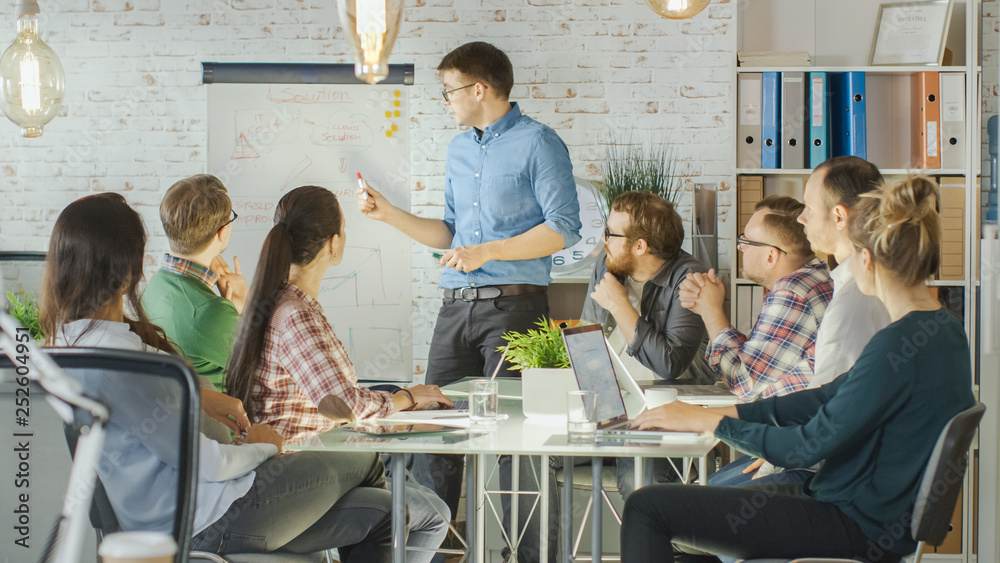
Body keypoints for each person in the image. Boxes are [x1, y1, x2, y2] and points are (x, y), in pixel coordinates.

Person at [620, 176, 975, 563]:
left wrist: (712, 425)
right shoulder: (943, 329)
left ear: (867, 259)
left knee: (647, 508)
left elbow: (806, 444)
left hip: (854, 523)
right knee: (691, 528)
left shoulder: (897, 344)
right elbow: (824, 398)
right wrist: (711, 413)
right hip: (859, 510)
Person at [41, 193, 393, 560]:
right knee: (367, 459)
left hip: (177, 517)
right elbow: (207, 463)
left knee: (382, 509)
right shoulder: (129, 365)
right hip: (208, 521)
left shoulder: (63, 350)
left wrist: (196, 393)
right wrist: (263, 446)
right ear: (130, 269)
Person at [358, 41, 581, 562]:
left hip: (517, 308)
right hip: (455, 308)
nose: (447, 101)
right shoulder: (459, 149)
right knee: (433, 434)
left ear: (479, 89)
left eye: (450, 91)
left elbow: (563, 228)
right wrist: (390, 214)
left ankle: (529, 558)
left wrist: (490, 252)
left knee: (516, 444)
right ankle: (429, 554)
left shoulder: (539, 143)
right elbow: (450, 233)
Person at [225, 185, 453, 563]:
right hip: (293, 476)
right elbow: (339, 404)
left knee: (421, 508)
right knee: (426, 513)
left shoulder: (288, 303)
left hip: (306, 468)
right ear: (333, 244)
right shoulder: (294, 313)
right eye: (344, 229)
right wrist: (407, 398)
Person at [711, 156, 892, 488]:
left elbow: (829, 412)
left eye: (808, 207)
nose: (802, 217)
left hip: (827, 475)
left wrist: (776, 450)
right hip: (825, 458)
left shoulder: (852, 303)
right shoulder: (854, 286)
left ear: (839, 216)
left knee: (692, 498)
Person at [579, 190, 710, 497]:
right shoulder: (607, 265)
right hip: (608, 410)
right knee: (524, 455)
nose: (603, 240)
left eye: (611, 233)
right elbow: (587, 343)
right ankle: (528, 549)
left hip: (665, 415)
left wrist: (620, 305)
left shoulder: (690, 277)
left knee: (639, 482)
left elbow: (670, 364)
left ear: (640, 245)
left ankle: (650, 546)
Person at [679, 196, 833, 402]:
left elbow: (742, 382)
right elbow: (750, 362)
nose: (740, 247)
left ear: (771, 256)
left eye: (746, 240)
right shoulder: (814, 278)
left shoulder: (793, 293)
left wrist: (711, 310)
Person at [143, 174, 247, 392]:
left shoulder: (154, 285)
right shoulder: (213, 311)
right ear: (223, 232)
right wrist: (245, 306)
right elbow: (265, 369)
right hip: (220, 425)